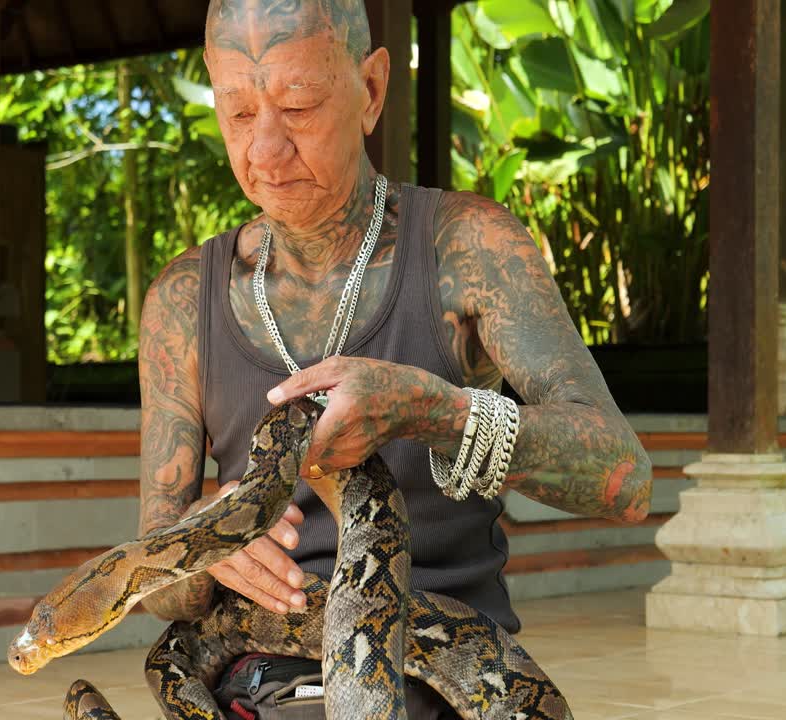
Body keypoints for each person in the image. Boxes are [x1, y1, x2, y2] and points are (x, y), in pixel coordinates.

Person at [136, 0, 652, 715]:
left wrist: (436, 412)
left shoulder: (469, 248)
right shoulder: (181, 301)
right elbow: (158, 583)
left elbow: (624, 479)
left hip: (445, 669)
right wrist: (199, 544)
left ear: (372, 90)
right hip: (259, 670)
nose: (265, 150)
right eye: (239, 113)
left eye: (299, 105)